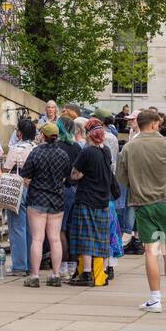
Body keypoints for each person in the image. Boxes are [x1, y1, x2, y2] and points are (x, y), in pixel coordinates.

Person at [117, 108, 166, 311]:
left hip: (142, 203)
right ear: (155, 124)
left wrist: (137, 184)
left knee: (151, 250)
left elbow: (121, 178)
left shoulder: (129, 147)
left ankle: (155, 298)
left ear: (139, 124)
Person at [66, 118, 116, 286]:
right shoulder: (106, 151)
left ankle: (87, 274)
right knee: (100, 238)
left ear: (88, 134)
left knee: (86, 237)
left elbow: (75, 175)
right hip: (102, 199)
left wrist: (81, 174)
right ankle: (100, 273)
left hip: (86, 198)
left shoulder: (87, 152)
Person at [21, 122, 72, 288]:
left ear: (42, 135)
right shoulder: (63, 155)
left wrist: (35, 185)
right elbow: (65, 178)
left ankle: (34, 276)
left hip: (37, 199)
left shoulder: (36, 153)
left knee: (37, 238)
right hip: (57, 199)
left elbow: (26, 177)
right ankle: (56, 274)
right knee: (55, 239)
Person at [0, 117, 38, 277]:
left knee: (17, 227)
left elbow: (6, 169)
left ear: (20, 133)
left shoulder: (16, 148)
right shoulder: (37, 148)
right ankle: (31, 263)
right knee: (31, 229)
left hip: (18, 188)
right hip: (35, 190)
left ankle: (19, 265)